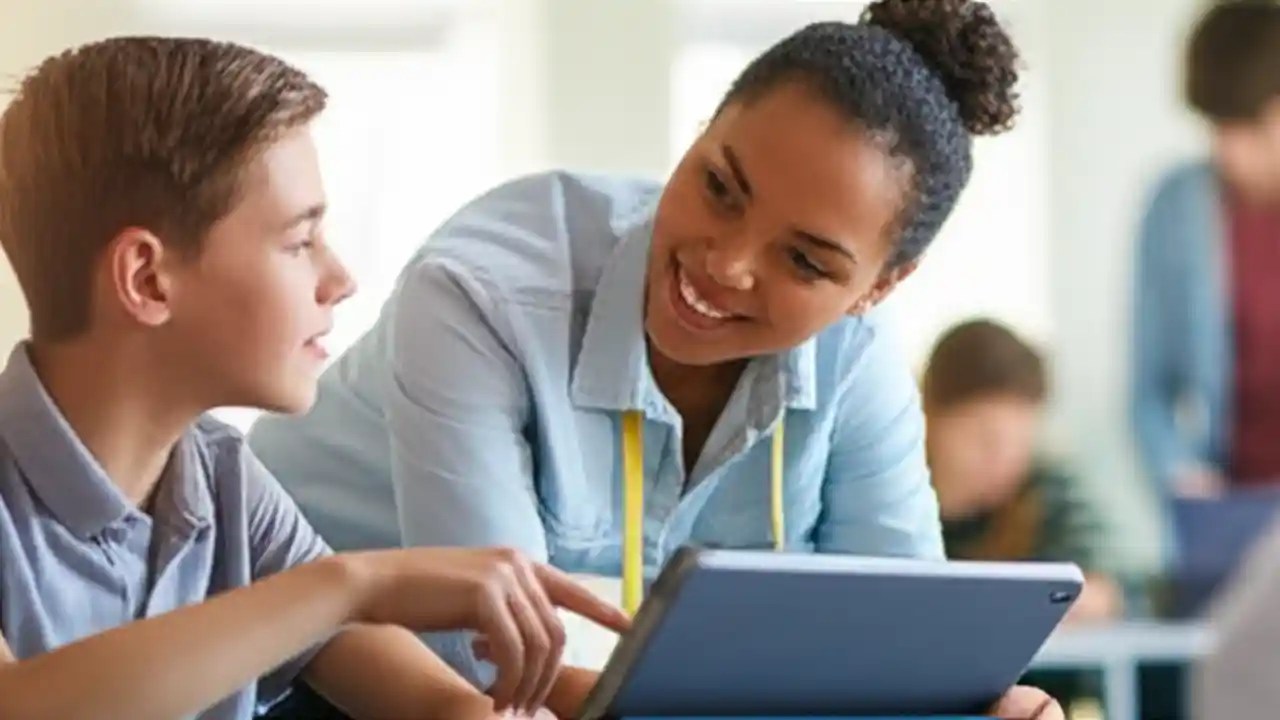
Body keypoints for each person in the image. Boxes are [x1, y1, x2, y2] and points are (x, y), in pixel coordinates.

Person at [251, 1, 1060, 716]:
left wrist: (980, 704)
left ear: (878, 287)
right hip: (291, 666)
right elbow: (500, 665)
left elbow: (907, 639)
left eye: (805, 261)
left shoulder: (857, 361)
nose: (727, 264)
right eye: (720, 188)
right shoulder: (484, 294)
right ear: (701, 132)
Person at [0, 36, 630, 720]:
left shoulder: (222, 481)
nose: (340, 279)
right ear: (148, 279)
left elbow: (439, 704)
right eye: (300, 243)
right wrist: (352, 584)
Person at [1133, 0, 1280, 498]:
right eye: (1218, 127)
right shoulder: (1174, 207)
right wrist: (1180, 474)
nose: (1228, 151)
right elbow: (1149, 390)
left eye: (1248, 128)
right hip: (1228, 507)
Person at [923, 320, 1122, 624]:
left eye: (1021, 442)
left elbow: (1105, 588)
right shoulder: (884, 497)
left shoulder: (1047, 492)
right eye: (984, 439)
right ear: (930, 419)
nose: (1003, 460)